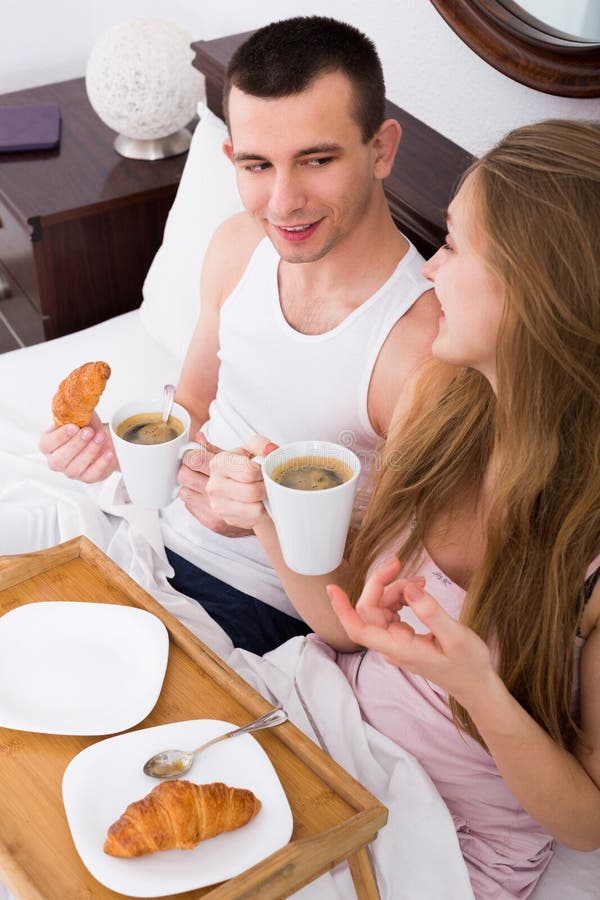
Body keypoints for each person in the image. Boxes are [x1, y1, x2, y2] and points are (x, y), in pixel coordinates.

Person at [206, 119, 600, 898]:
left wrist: (479, 689)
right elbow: (345, 626)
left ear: (533, 289)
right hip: (331, 726)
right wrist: (265, 518)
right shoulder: (443, 405)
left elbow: (585, 825)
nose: (428, 274)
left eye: (452, 248)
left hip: (450, 839)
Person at [38, 17, 440, 654]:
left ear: (382, 149)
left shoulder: (418, 348)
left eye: (316, 159)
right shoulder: (235, 248)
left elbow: (365, 612)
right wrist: (127, 451)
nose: (283, 203)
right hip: (147, 539)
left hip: (258, 608)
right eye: (258, 164)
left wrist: (260, 517)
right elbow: (192, 407)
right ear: (232, 159)